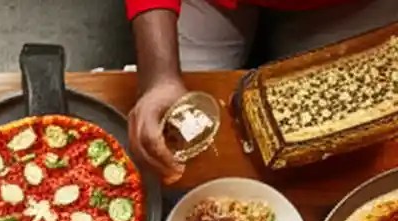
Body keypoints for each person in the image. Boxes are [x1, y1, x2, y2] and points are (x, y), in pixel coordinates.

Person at [125, 0, 398, 182]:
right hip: (215, 4)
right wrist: (159, 76)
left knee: (340, 167)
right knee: (175, 142)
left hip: (347, 6)